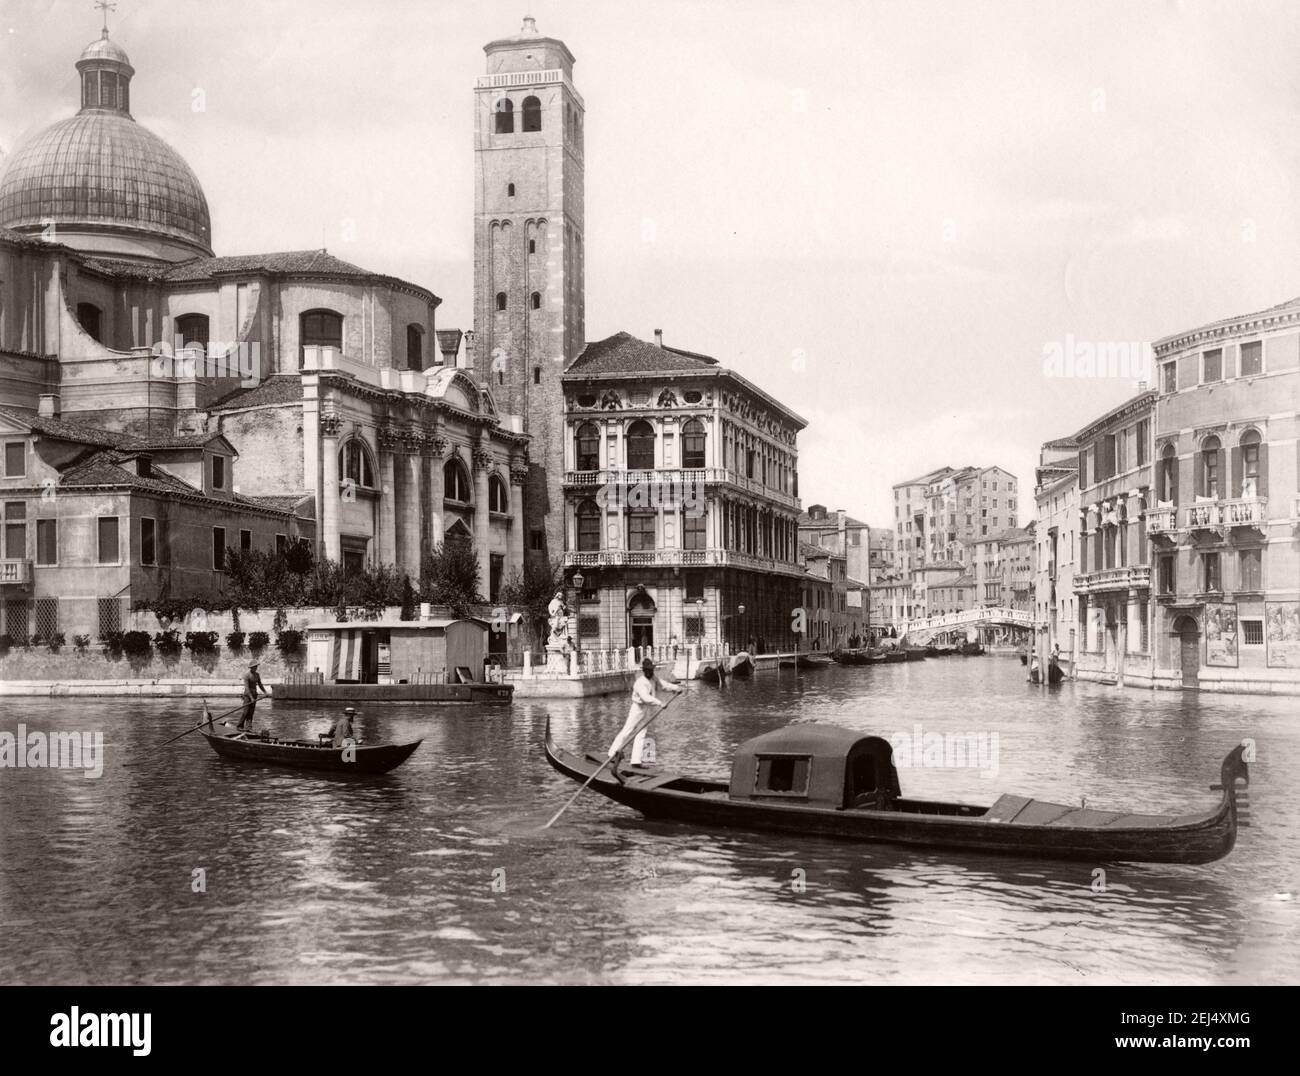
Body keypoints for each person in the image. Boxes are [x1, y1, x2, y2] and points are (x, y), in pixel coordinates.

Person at [608, 658, 683, 781]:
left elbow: (663, 685)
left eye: (651, 670)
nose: (650, 672)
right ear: (644, 671)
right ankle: (612, 754)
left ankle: (636, 761)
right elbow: (645, 697)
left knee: (641, 734)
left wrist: (676, 688)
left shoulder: (653, 678)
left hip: (647, 709)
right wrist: (660, 703)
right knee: (627, 730)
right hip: (638, 708)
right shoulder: (640, 682)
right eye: (648, 670)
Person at [237, 660, 269, 732]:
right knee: (246, 711)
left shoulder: (257, 675)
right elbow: (247, 688)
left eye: (256, 666)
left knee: (251, 712)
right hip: (247, 696)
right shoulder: (246, 675)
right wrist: (251, 698)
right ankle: (239, 726)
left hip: (254, 695)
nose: (256, 668)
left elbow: (260, 684)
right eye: (254, 666)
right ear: (251, 667)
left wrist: (265, 692)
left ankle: (249, 727)